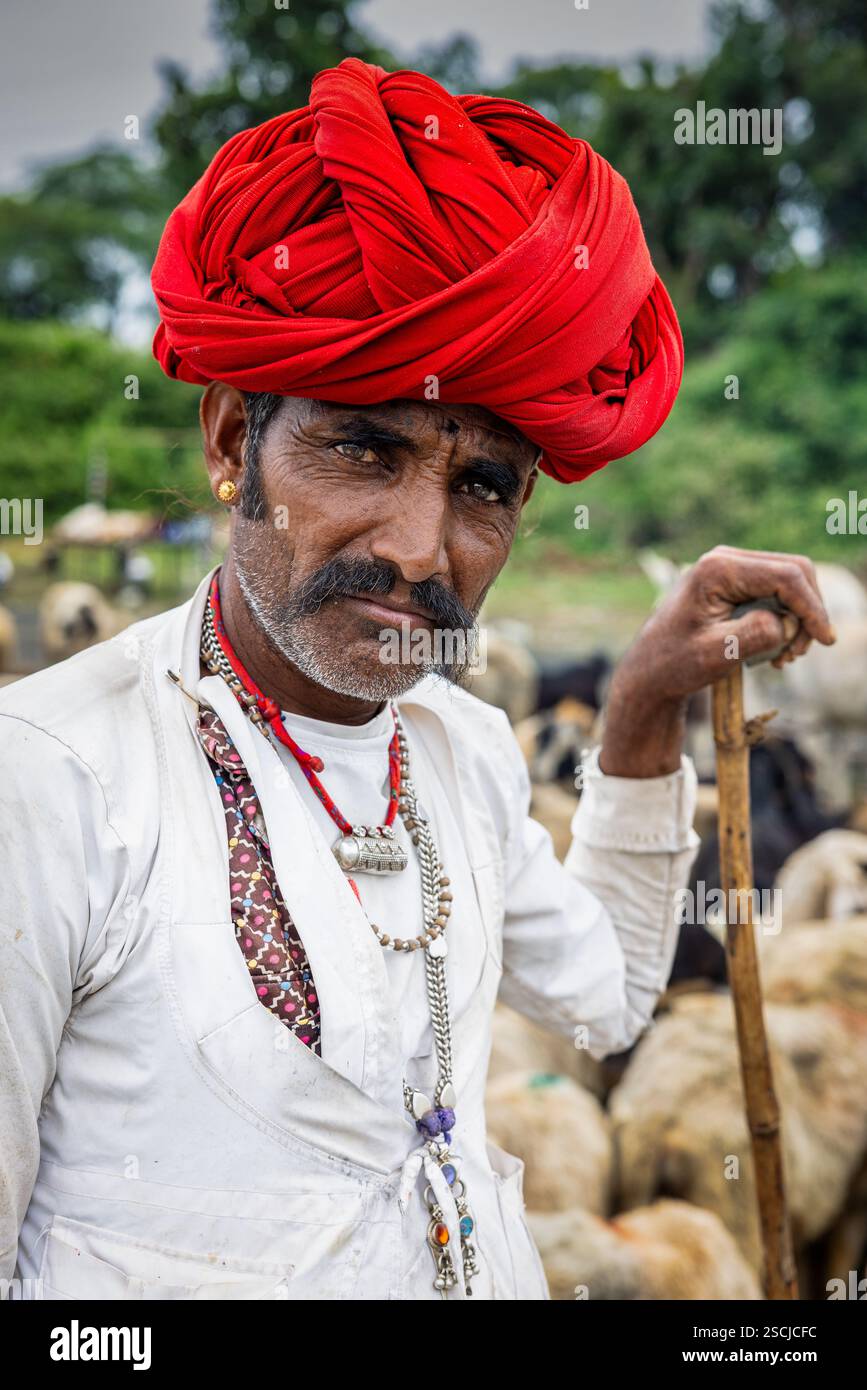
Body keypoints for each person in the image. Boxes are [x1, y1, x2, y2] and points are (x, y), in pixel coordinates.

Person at [0, 58, 833, 1301]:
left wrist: (644, 705)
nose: (417, 547)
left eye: (482, 486)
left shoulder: (464, 747)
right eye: (362, 447)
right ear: (234, 439)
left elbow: (604, 1000)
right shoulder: (49, 779)